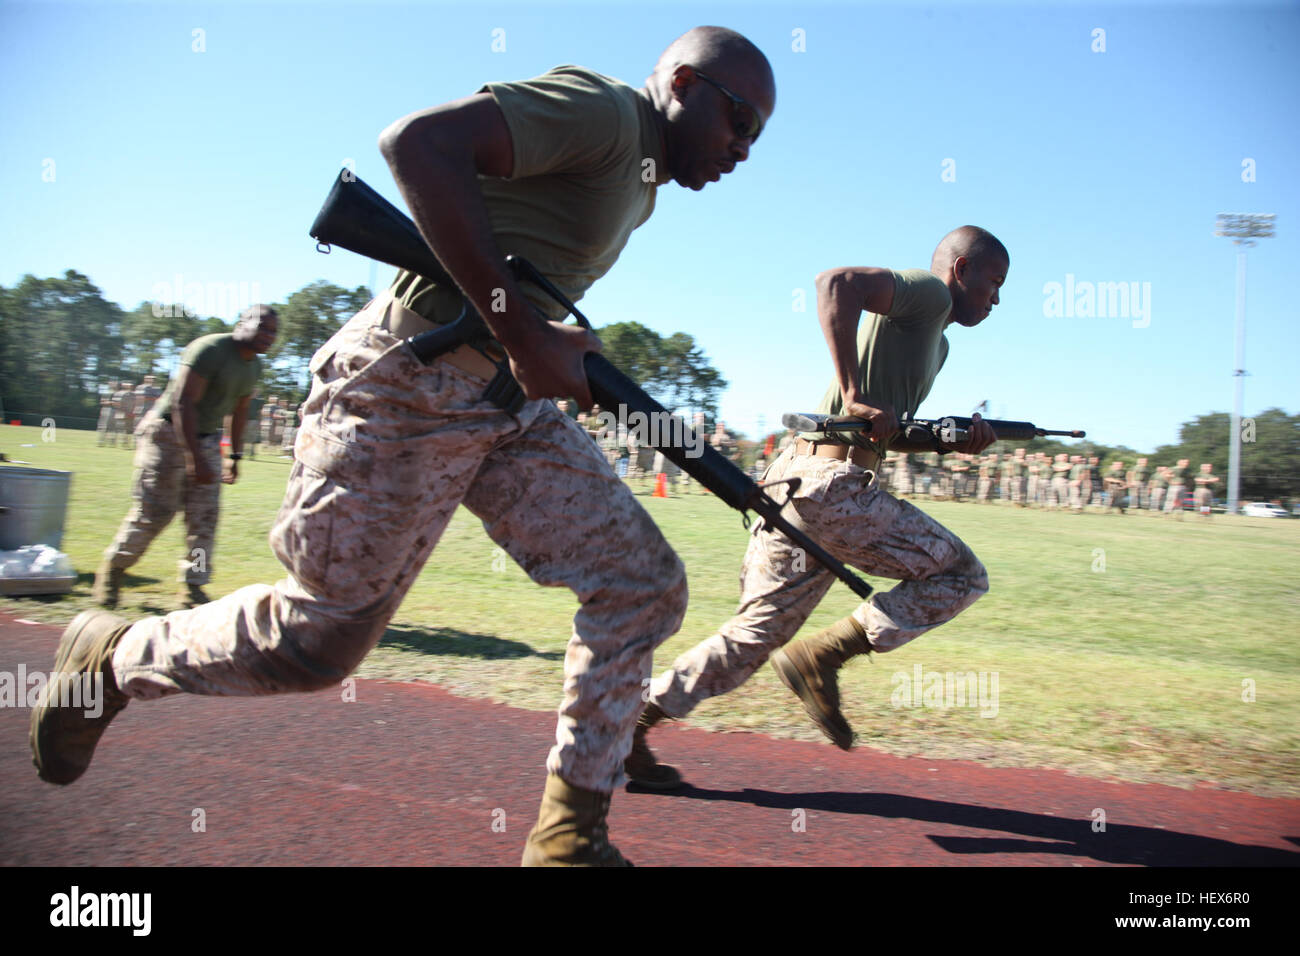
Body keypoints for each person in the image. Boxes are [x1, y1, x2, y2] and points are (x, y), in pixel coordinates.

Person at [32, 26, 776, 868]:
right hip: (407, 383)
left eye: (757, 136)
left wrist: (550, 333)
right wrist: (524, 327)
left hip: (507, 408)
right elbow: (417, 143)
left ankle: (568, 838)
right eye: (741, 121)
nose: (744, 149)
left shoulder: (640, 179)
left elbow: (515, 269)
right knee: (319, 641)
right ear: (682, 82)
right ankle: (114, 655)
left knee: (641, 585)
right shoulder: (606, 114)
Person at [626, 226, 1002, 788]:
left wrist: (950, 439)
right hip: (836, 489)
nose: (996, 300)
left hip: (799, 484)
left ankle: (631, 725)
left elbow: (883, 431)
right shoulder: (929, 293)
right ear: (963, 270)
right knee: (962, 575)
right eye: (995, 283)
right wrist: (853, 393)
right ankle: (823, 657)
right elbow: (836, 283)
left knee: (755, 635)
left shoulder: (936, 343)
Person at [89, 307, 278, 610]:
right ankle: (113, 570)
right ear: (242, 323)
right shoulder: (210, 349)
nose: (268, 336)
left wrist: (235, 455)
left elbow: (240, 411)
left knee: (204, 517)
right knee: (156, 512)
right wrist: (194, 459)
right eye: (263, 327)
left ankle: (193, 587)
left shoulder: (253, 367)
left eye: (273, 332)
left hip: (207, 439)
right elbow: (182, 402)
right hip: (167, 433)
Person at [95, 381, 118, 446]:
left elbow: (118, 403)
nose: (112, 385)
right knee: (103, 426)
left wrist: (111, 403)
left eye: (114, 384)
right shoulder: (105, 393)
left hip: (114, 411)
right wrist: (110, 402)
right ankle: (101, 441)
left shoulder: (117, 393)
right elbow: (102, 402)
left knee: (113, 427)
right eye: (111, 384)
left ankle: (112, 442)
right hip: (106, 410)